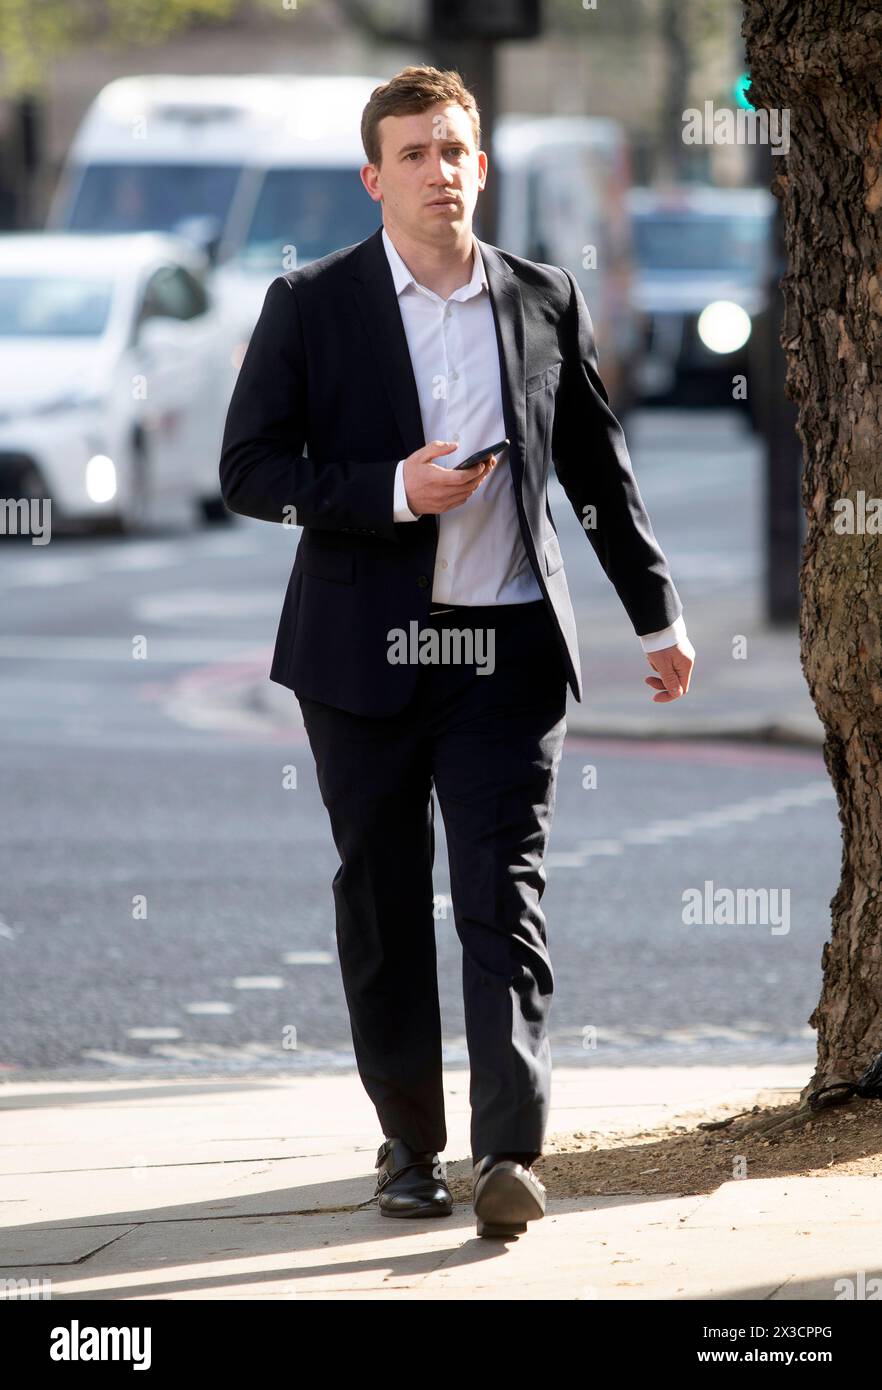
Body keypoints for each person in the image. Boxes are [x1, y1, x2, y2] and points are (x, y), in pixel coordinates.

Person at [219, 65, 695, 1240]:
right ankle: (408, 1145)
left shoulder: (541, 296)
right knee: (382, 903)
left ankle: (509, 1152)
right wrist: (390, 489)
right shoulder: (312, 306)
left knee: (502, 894)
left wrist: (659, 614)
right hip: (362, 655)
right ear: (374, 178)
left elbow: (596, 464)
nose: (441, 170)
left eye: (456, 150)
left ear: (482, 167)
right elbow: (249, 470)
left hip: (509, 650)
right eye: (416, 153)